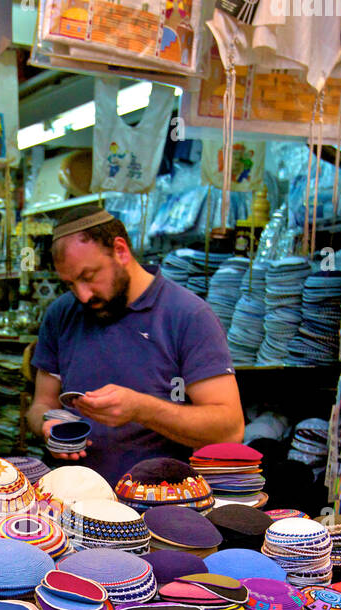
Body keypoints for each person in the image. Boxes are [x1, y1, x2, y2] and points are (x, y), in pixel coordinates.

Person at [28, 208, 245, 486]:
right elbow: (41, 404)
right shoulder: (61, 315)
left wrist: (142, 409)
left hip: (159, 505)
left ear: (120, 250)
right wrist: (48, 426)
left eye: (89, 276)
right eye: (71, 284)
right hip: (68, 498)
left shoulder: (188, 316)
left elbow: (229, 430)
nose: (82, 295)